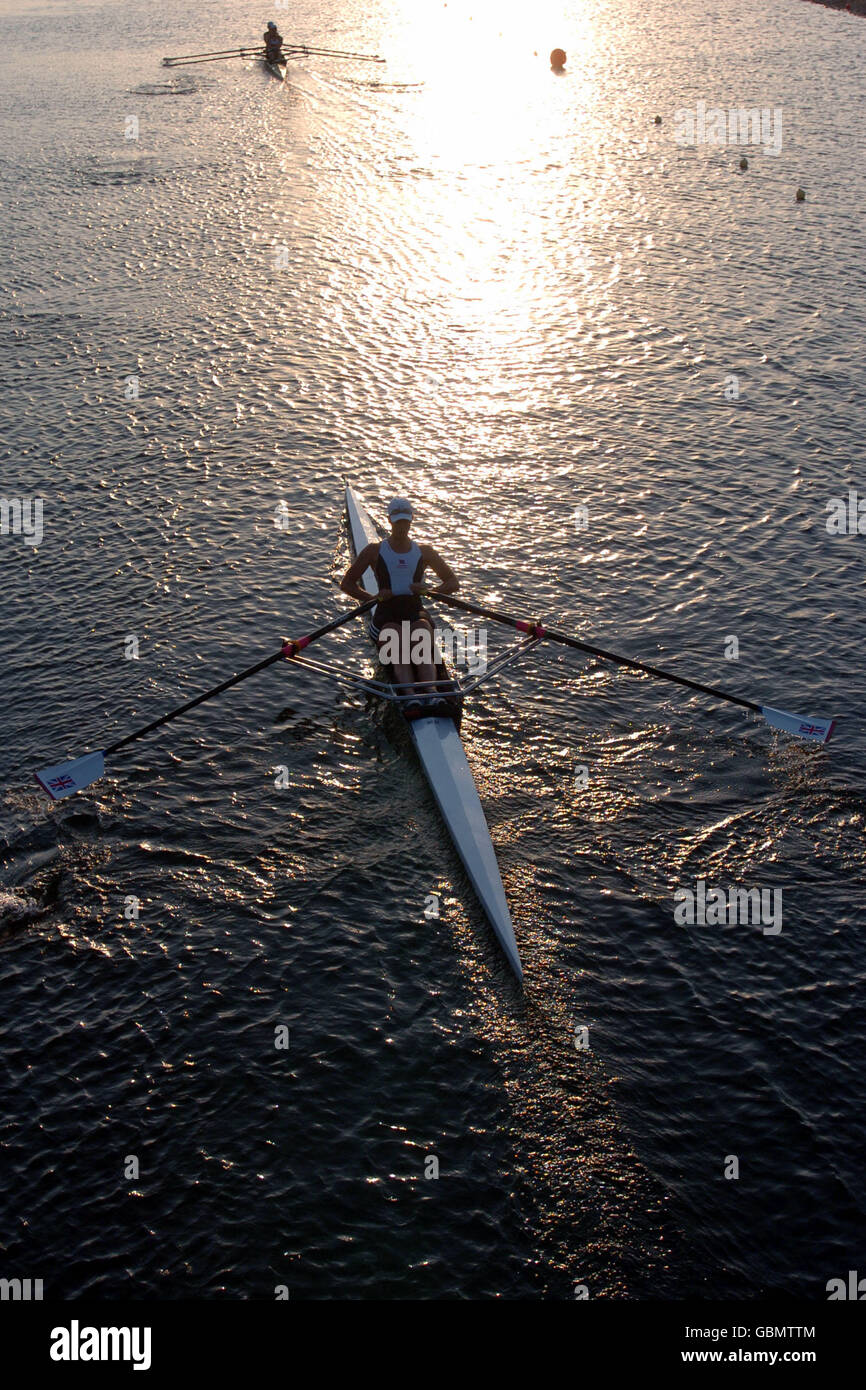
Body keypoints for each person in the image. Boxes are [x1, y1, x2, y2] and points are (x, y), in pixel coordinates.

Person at [340, 497, 460, 719]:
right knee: (396, 639)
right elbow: (346, 583)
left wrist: (429, 590)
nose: (402, 527)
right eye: (398, 523)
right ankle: (410, 697)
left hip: (415, 611)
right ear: (390, 521)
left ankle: (432, 694)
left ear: (412, 521)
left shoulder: (425, 552)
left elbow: (453, 583)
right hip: (386, 614)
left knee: (422, 632)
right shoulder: (373, 551)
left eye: (405, 522)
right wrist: (372, 598)